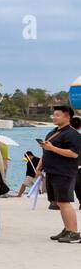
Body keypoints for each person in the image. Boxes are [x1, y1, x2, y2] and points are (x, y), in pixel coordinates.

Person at [41, 104, 81, 243]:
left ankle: (74, 232)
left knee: (64, 202)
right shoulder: (53, 132)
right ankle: (67, 229)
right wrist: (40, 167)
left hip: (64, 172)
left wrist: (52, 148)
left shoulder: (72, 134)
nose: (54, 117)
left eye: (58, 115)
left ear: (67, 117)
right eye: (54, 115)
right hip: (52, 171)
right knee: (59, 202)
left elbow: (74, 154)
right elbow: (47, 150)